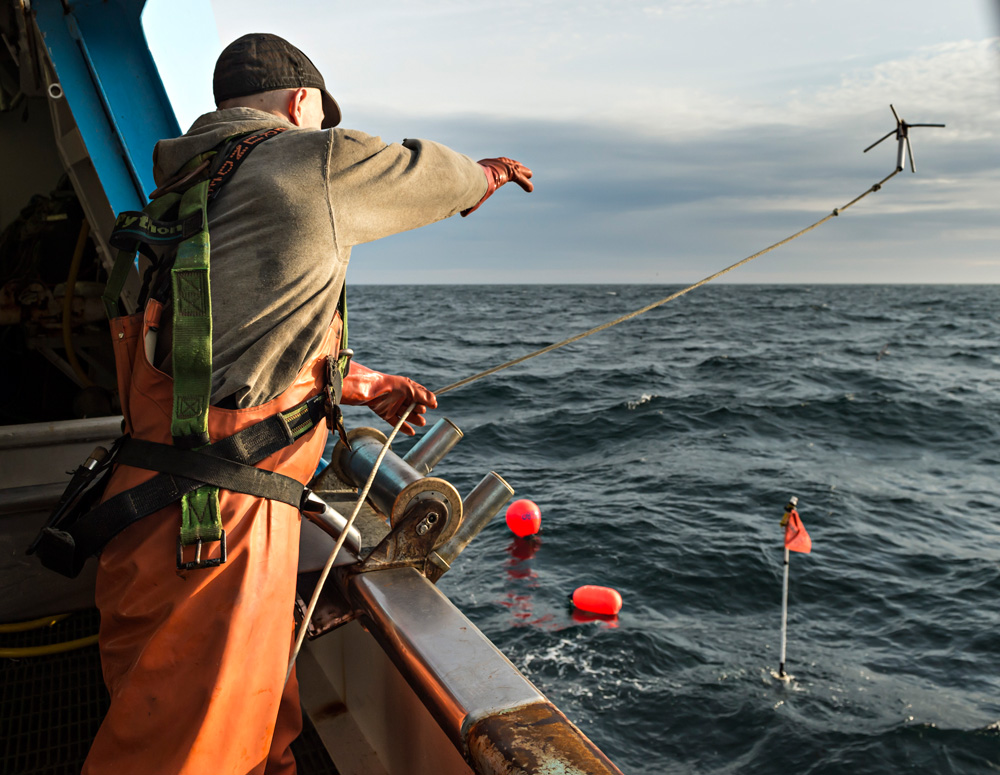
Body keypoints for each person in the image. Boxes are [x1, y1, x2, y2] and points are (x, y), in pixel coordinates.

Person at [82, 32, 533, 775]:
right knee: (178, 756)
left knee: (247, 725)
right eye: (320, 120)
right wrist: (480, 177)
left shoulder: (182, 191)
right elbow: (421, 173)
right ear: (301, 106)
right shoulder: (306, 158)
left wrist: (357, 383)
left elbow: (222, 348)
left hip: (146, 510)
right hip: (217, 526)